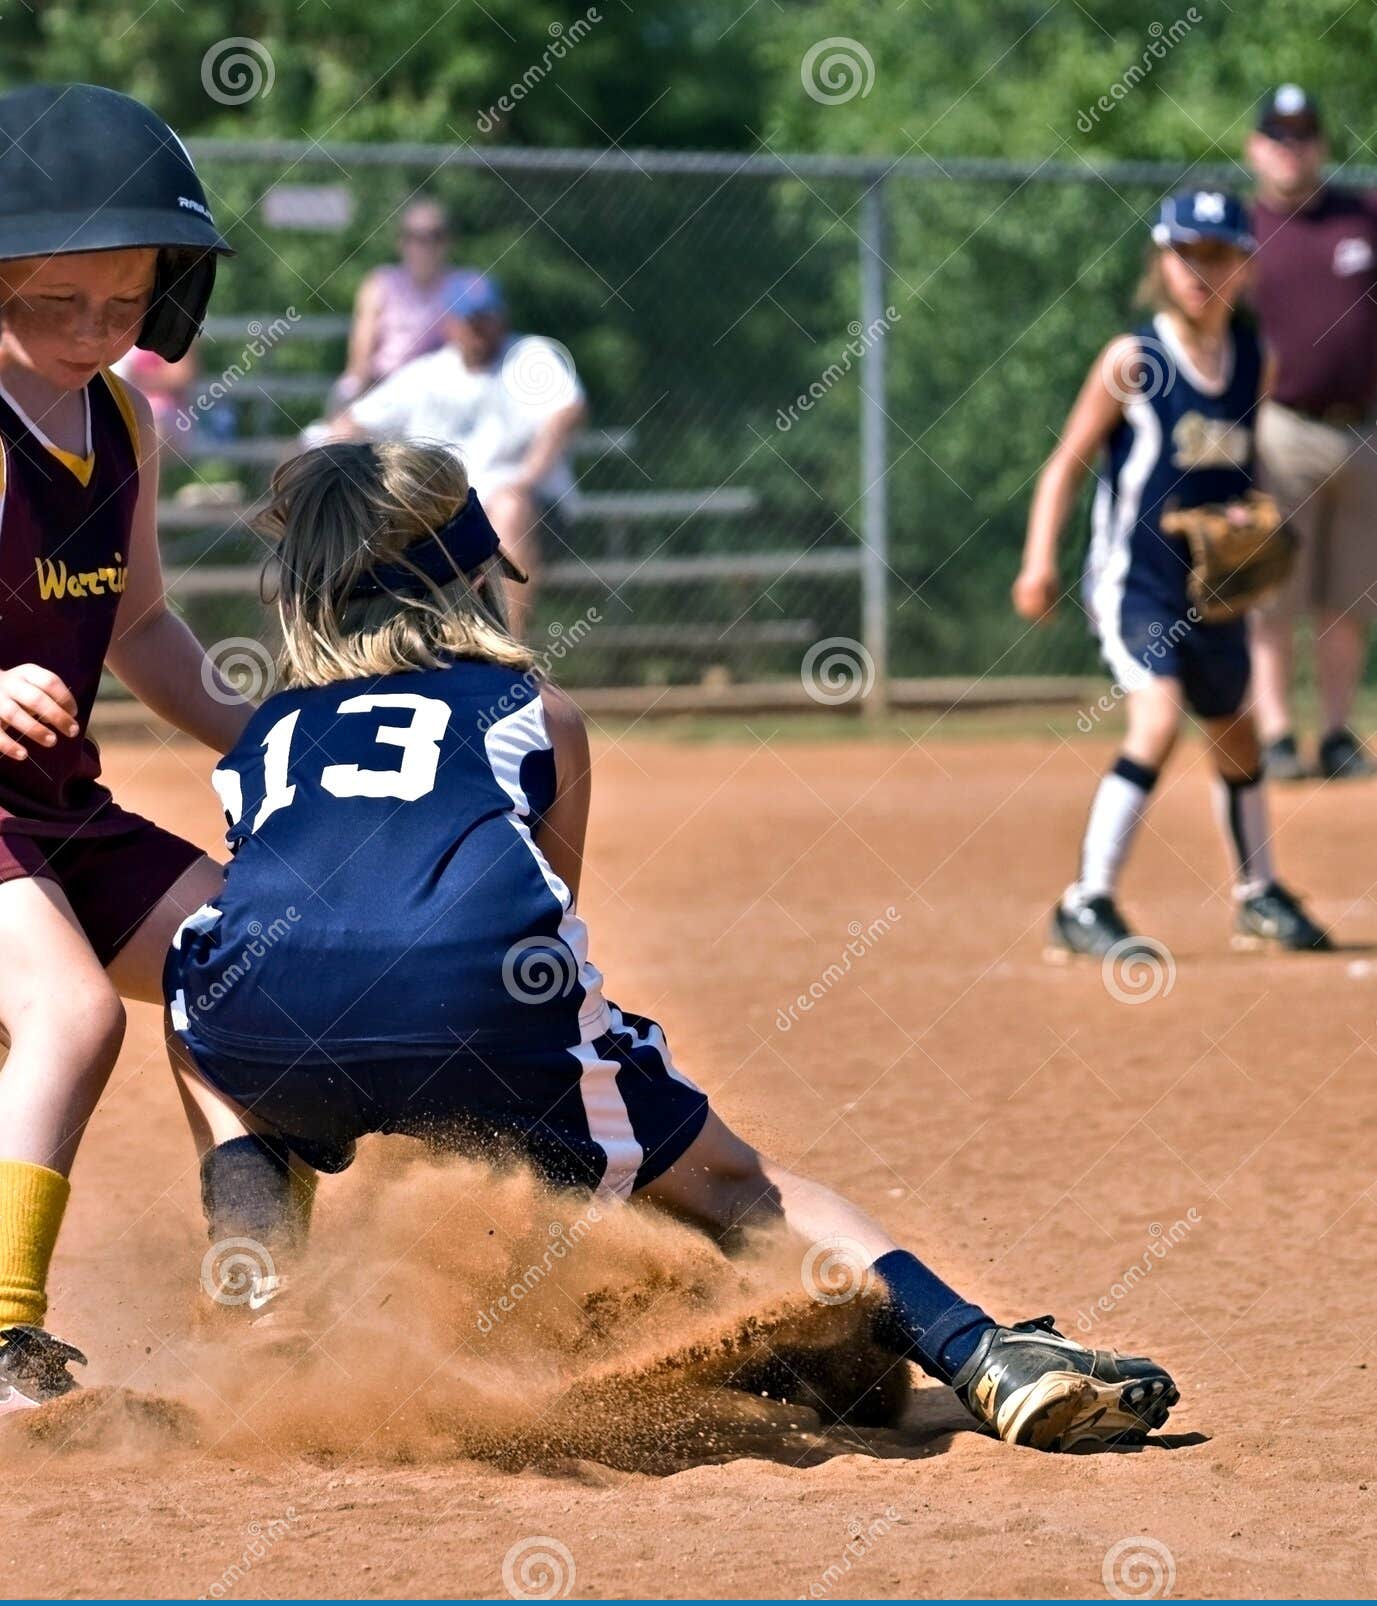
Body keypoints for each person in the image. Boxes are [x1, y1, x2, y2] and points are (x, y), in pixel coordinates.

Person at [161, 438, 1179, 1455]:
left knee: (196, 1022)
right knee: (741, 1188)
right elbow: (540, 915)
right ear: (472, 582)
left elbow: (294, 900)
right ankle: (984, 1351)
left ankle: (261, 1298)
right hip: (483, 997)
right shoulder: (534, 710)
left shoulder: (267, 734)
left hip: (266, 1016)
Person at [0, 85, 255, 1416]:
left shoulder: (119, 422)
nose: (98, 334)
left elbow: (142, 621)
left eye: (126, 304)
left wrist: (265, 733)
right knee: (74, 1012)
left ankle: (255, 1273)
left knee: (247, 958)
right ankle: (1, 1335)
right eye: (58, 303)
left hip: (52, 806)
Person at [1014, 190, 1330, 960]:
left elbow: (1241, 462)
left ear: (1243, 268)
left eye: (1217, 255)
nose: (1200, 271)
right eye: (1184, 254)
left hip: (1213, 592)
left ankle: (1256, 896)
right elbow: (1065, 464)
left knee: (1238, 737)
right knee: (1155, 719)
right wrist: (1037, 561)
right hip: (1135, 584)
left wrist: (1252, 521)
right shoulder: (1134, 361)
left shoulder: (1256, 361)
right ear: (1162, 263)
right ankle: (1082, 903)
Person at [327, 274, 586, 635]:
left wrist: (528, 475)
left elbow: (568, 411)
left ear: (503, 318)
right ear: (448, 323)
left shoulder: (529, 357)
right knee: (387, 515)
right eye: (469, 318)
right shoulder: (426, 374)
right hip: (450, 517)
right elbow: (350, 424)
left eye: (487, 317)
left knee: (509, 504)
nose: (479, 328)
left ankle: (509, 653)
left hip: (537, 516)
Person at [1247, 85, 1377, 781]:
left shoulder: (1361, 216)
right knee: (1272, 594)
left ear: (1321, 145)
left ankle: (1333, 734)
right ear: (1253, 147)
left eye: (1302, 134)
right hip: (1279, 432)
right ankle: (1273, 734)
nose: (1290, 147)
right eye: (1277, 135)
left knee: (1349, 597)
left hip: (1363, 432)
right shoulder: (1240, 234)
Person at [333, 197, 473, 411]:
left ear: (447, 242)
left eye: (433, 236)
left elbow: (471, 350)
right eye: (414, 237)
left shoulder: (464, 286)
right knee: (344, 393)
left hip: (439, 394)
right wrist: (358, 391)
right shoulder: (381, 283)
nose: (423, 246)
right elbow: (361, 350)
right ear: (401, 242)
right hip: (383, 386)